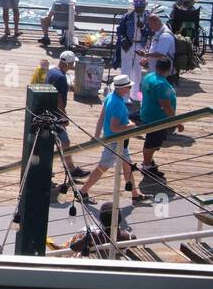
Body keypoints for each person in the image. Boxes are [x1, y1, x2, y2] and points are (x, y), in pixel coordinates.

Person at [78, 74, 152, 206]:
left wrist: (96, 135)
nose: (130, 88)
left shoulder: (110, 97)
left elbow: (101, 118)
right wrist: (131, 125)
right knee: (102, 168)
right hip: (115, 142)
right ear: (122, 88)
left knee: (127, 165)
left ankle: (135, 195)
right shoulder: (117, 104)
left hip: (116, 141)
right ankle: (82, 192)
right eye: (128, 86)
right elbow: (115, 127)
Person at [47, 51, 89, 181]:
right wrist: (64, 116)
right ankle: (71, 169)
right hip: (55, 115)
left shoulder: (52, 71)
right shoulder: (60, 77)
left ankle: (65, 168)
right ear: (68, 63)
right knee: (64, 141)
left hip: (47, 113)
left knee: (51, 143)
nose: (74, 65)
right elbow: (59, 99)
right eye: (72, 63)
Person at [139, 57, 182, 178]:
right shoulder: (162, 85)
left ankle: (149, 161)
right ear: (169, 69)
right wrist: (177, 122)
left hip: (147, 113)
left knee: (153, 141)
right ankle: (146, 166)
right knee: (151, 143)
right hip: (156, 118)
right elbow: (166, 107)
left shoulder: (149, 76)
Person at [114, 0, 153, 100]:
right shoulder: (127, 16)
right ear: (134, 6)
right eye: (137, 7)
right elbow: (120, 30)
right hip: (128, 45)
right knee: (125, 69)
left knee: (137, 70)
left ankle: (135, 94)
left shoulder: (148, 17)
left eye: (141, 7)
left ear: (144, 6)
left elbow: (151, 32)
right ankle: (125, 96)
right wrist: (123, 40)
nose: (139, 9)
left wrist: (143, 27)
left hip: (140, 45)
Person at [140, 14, 177, 83]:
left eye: (150, 24)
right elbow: (155, 49)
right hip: (156, 72)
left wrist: (146, 54)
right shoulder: (159, 32)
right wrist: (147, 59)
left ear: (156, 22)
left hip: (164, 74)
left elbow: (161, 55)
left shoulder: (165, 36)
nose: (150, 27)